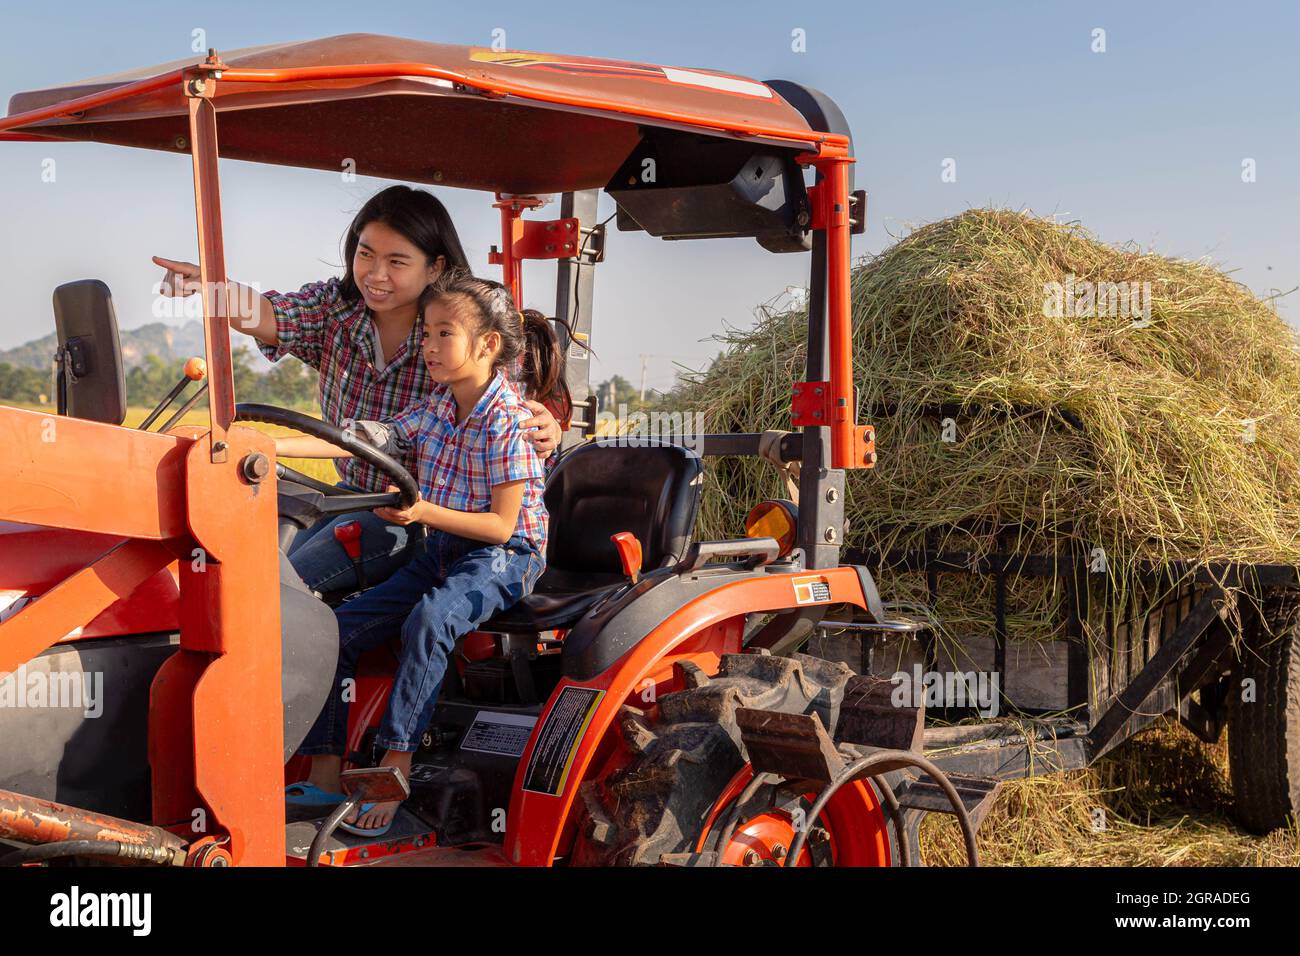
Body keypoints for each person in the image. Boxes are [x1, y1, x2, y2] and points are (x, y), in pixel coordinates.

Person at [152, 185, 562, 594]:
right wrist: (215, 289)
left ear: (435, 267)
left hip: (414, 513)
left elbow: (515, 422)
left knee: (279, 591)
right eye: (365, 254)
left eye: (396, 261)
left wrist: (547, 428)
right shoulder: (336, 308)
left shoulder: (464, 338)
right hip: (345, 493)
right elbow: (271, 314)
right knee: (233, 553)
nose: (375, 274)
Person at [275, 272, 553, 835]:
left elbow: (502, 526)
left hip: (505, 556)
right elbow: (367, 436)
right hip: (446, 548)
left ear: (488, 344)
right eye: (424, 333)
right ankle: (327, 772)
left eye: (442, 333)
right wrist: (267, 442)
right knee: (336, 626)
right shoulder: (436, 408)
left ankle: (394, 767)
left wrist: (420, 512)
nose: (426, 345)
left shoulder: (509, 421)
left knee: (430, 619)